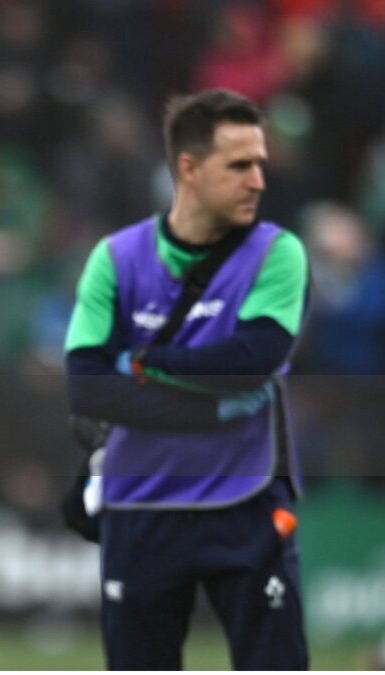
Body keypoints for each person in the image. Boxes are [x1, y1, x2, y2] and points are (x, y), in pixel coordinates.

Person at [64, 89, 309, 670]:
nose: (258, 181)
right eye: (239, 165)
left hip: (246, 499)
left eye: (260, 164)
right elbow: (89, 389)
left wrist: (144, 364)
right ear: (190, 169)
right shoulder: (115, 258)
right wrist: (217, 407)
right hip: (140, 502)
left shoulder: (278, 254)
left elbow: (251, 361)